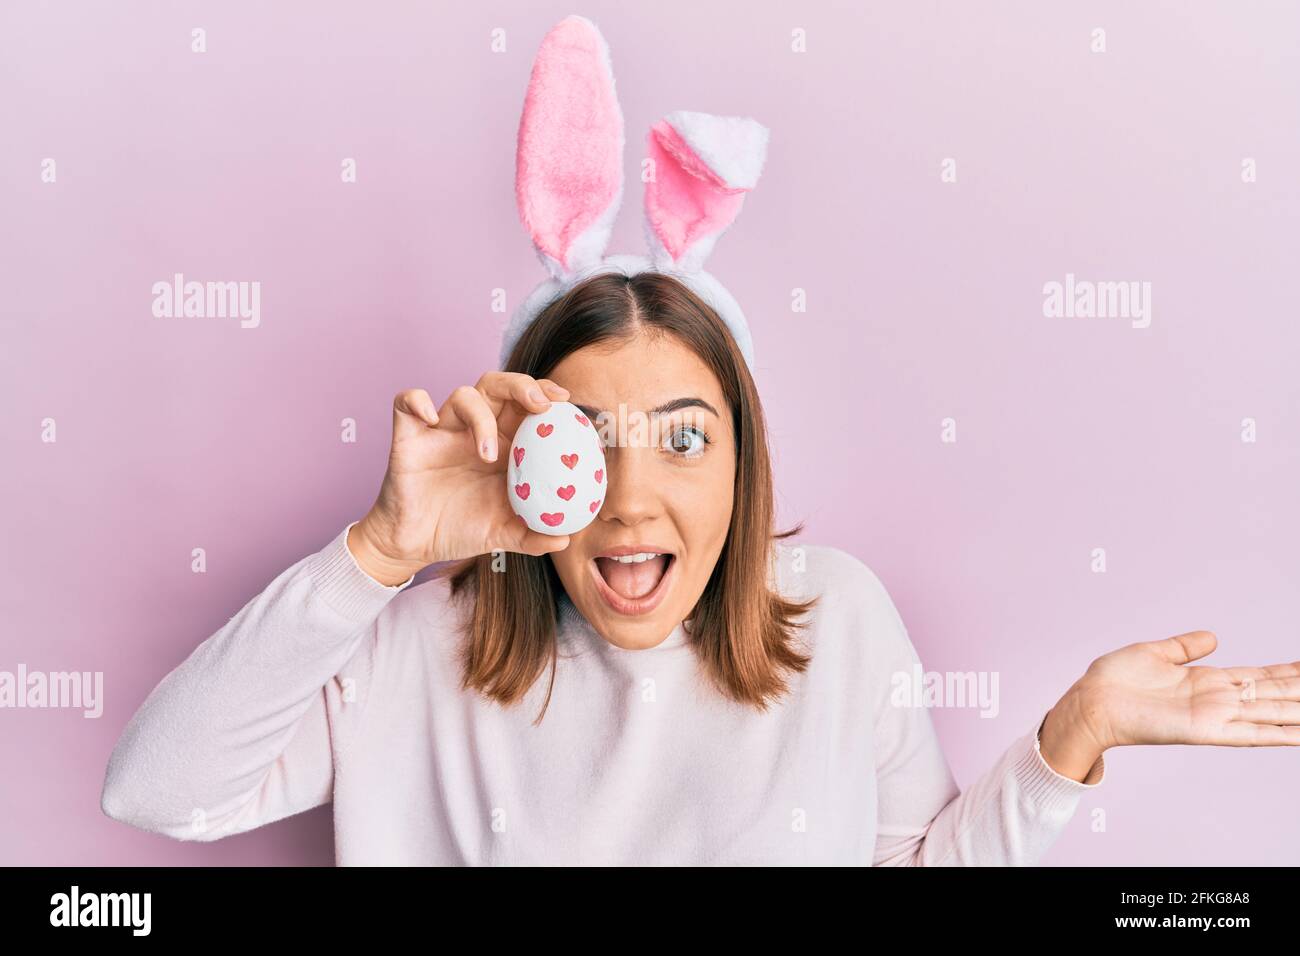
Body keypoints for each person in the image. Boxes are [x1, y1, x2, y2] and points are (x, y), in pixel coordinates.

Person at [99, 270, 1300, 866]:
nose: (630, 496)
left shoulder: (834, 616)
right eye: (587, 439)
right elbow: (155, 789)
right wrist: (378, 551)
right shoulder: (415, 648)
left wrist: (1070, 737)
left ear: (742, 462)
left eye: (684, 436)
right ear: (526, 460)